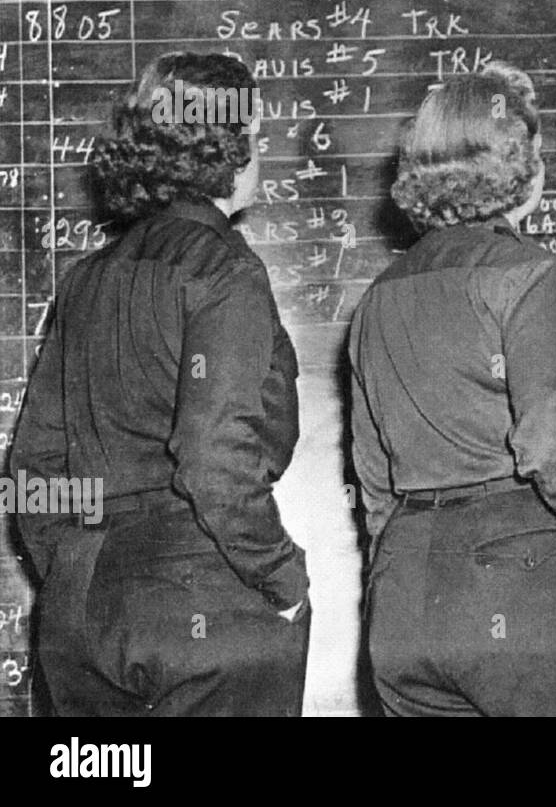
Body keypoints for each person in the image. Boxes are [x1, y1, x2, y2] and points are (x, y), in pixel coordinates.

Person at [350, 62, 556, 717]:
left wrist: (402, 565)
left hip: (407, 599)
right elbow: (555, 443)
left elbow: (374, 479)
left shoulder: (376, 300)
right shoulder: (530, 274)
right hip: (529, 584)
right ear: (521, 167)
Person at [10, 52, 310, 716]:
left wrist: (75, 571)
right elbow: (214, 460)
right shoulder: (225, 270)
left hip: (80, 609)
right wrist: (281, 580)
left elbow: (32, 463)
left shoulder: (86, 280)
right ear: (225, 147)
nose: (259, 154)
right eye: (254, 137)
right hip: (204, 592)